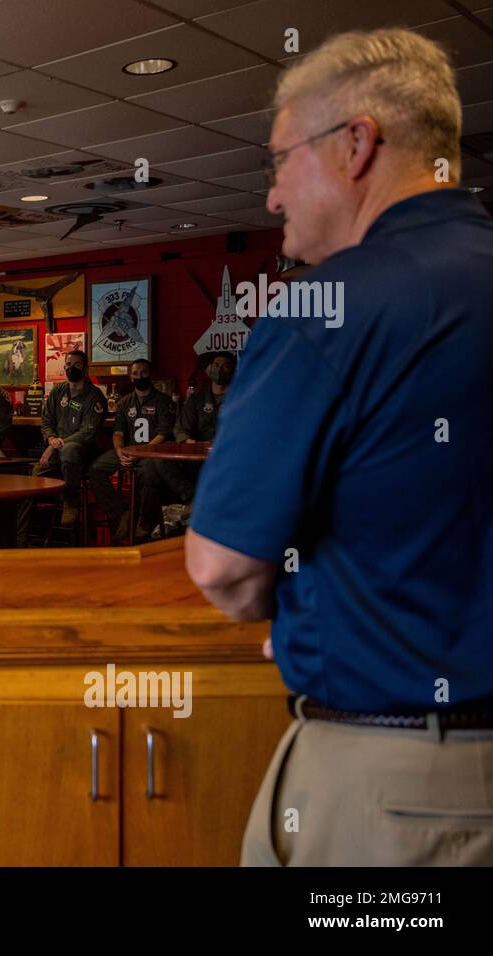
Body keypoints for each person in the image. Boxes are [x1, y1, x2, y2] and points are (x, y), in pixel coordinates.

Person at [183, 28, 493, 866]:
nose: (275, 195)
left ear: (356, 144)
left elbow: (223, 565)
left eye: (281, 158)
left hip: (396, 793)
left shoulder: (327, 305)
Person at [19, 349, 105, 542]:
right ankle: (22, 536)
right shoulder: (58, 391)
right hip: (56, 451)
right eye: (68, 365)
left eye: (76, 365)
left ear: (85, 368)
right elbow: (46, 420)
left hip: (82, 454)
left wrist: (57, 444)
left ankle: (70, 502)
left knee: (70, 450)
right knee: (32, 480)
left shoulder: (95, 397)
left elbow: (87, 433)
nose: (71, 368)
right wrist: (50, 439)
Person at [89, 359, 174, 542]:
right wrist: (120, 451)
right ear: (130, 376)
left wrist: (140, 453)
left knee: (149, 472)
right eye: (135, 374)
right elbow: (118, 432)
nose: (139, 377)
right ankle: (121, 514)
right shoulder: (125, 403)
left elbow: (164, 434)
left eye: (143, 373)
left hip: (152, 452)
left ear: (151, 375)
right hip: (129, 450)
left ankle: (144, 520)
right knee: (96, 469)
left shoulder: (162, 401)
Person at [154, 351, 235, 509]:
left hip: (226, 454)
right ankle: (192, 500)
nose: (220, 369)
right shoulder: (196, 399)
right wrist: (188, 440)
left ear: (233, 369)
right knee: (160, 460)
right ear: (210, 368)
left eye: (226, 366)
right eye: (216, 365)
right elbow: (181, 427)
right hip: (196, 454)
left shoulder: (241, 397)